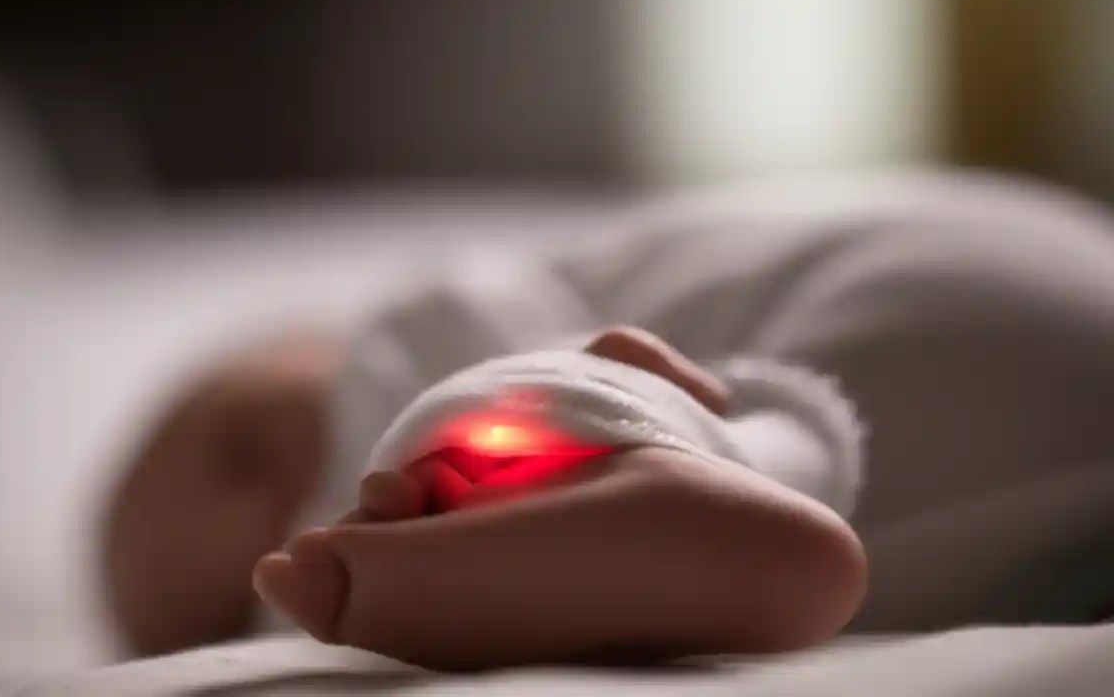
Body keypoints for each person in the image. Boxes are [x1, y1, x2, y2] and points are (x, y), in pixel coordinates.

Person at [101, 173, 1114, 669]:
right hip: (1058, 470)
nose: (283, 527)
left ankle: (714, 461)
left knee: (476, 426)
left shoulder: (426, 318)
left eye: (246, 453)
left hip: (909, 308)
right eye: (226, 616)